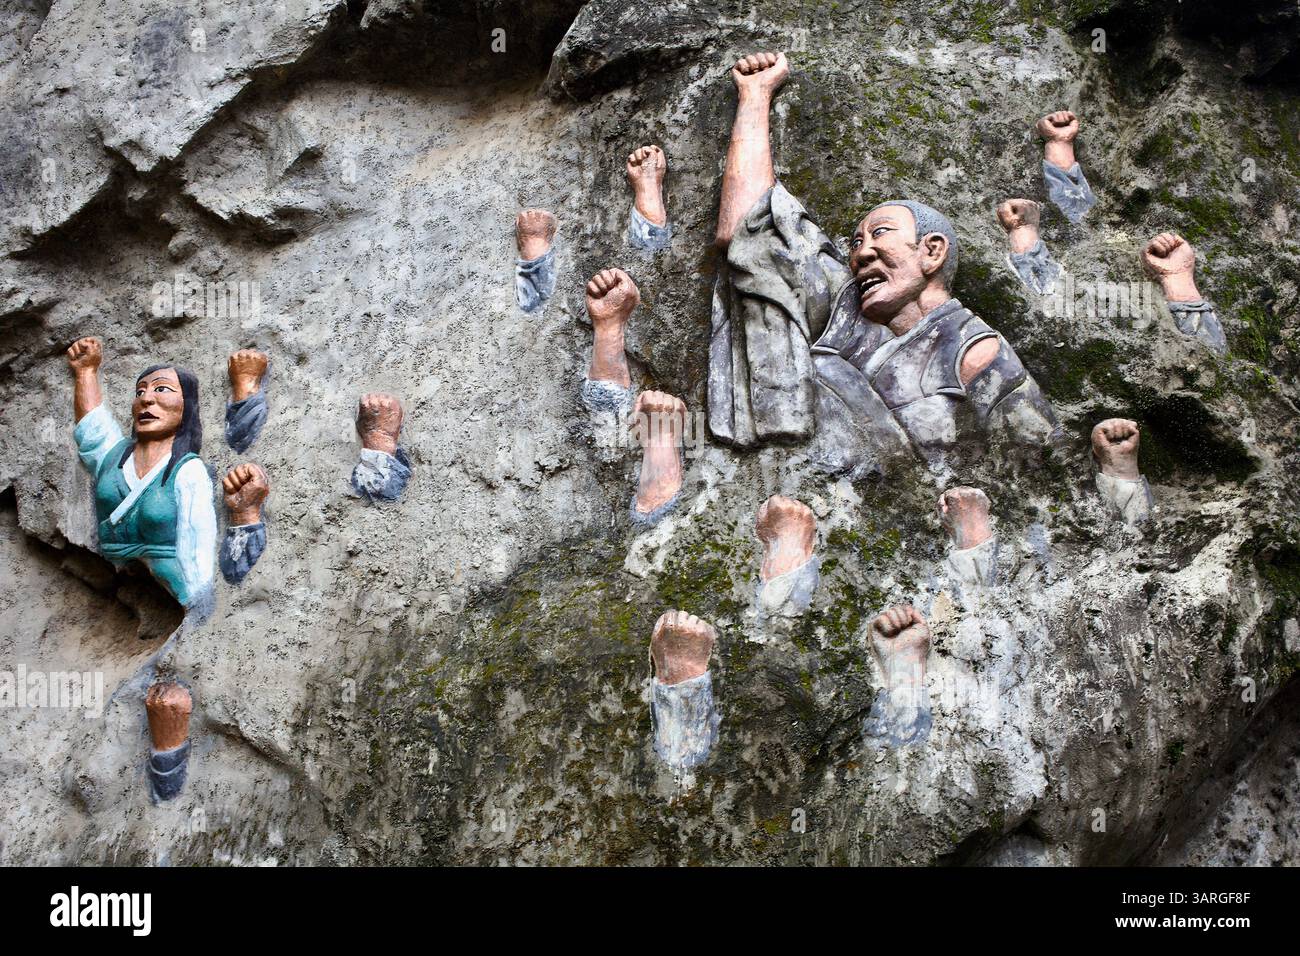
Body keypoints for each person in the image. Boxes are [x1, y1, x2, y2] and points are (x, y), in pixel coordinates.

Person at [709, 52, 1059, 477]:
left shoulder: (977, 354)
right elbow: (751, 235)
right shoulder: (846, 318)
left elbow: (1038, 471)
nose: (861, 254)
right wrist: (755, 96)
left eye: (880, 234)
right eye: (856, 242)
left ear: (931, 252)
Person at [67, 337, 216, 613]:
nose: (147, 399)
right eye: (140, 392)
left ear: (187, 406)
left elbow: (198, 553)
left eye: (162, 389)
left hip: (172, 599)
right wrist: (86, 371)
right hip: (111, 597)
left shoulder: (188, 471)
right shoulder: (115, 456)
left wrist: (197, 613)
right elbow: (92, 430)